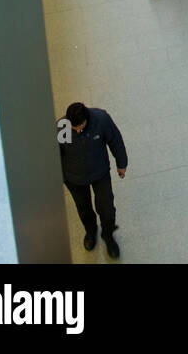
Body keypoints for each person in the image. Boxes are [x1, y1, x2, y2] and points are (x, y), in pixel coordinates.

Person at [58, 100, 127, 258]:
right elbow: (57, 155)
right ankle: (91, 232)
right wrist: (62, 177)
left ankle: (108, 236)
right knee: (84, 209)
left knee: (107, 209)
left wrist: (121, 163)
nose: (76, 130)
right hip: (74, 178)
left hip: (99, 173)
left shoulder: (101, 119)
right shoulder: (63, 128)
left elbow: (115, 140)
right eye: (73, 127)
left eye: (79, 126)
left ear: (86, 119)